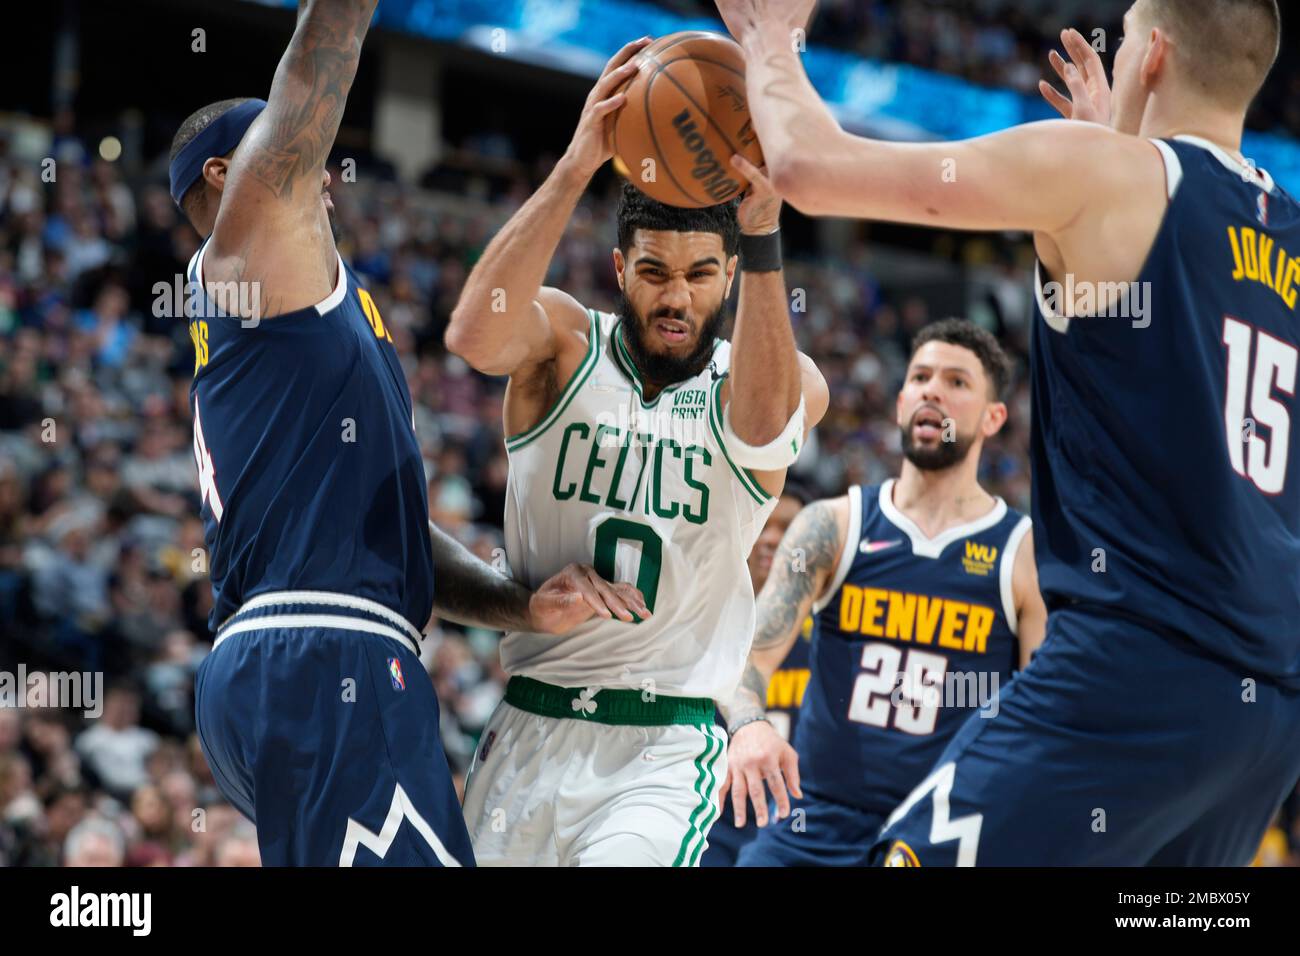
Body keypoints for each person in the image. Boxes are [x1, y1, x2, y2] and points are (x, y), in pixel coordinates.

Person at [715, 0, 1300, 864]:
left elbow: (808, 165)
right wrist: (1096, 178)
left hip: (1134, 669)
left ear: (1152, 57)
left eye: (1130, 32)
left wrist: (768, 39)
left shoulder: (1106, 176)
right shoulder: (1283, 231)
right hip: (1263, 713)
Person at [177, 0, 640, 867]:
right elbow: (318, 61)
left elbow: (388, 526)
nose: (323, 169)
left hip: (305, 652)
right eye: (290, 148)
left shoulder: (309, 321)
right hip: (322, 652)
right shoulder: (246, 254)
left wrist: (517, 603)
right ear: (220, 177)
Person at [445, 37, 829, 865]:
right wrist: (580, 161)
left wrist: (762, 233)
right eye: (654, 272)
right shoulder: (562, 346)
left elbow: (765, 429)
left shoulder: (767, 378)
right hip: (526, 723)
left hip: (664, 745)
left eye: (700, 274)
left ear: (731, 277)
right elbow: (473, 333)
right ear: (620, 269)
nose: (677, 296)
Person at [722, 319, 1045, 865]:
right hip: (814, 822)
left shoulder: (1023, 552)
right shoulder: (834, 525)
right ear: (900, 403)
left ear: (994, 417)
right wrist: (750, 726)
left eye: (957, 382)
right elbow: (748, 659)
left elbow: (1040, 717)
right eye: (920, 377)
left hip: (940, 830)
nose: (933, 390)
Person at [700, 481, 813, 866]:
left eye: (789, 527)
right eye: (764, 522)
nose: (773, 538)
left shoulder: (833, 632)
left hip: (798, 822)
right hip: (713, 819)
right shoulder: (701, 620)